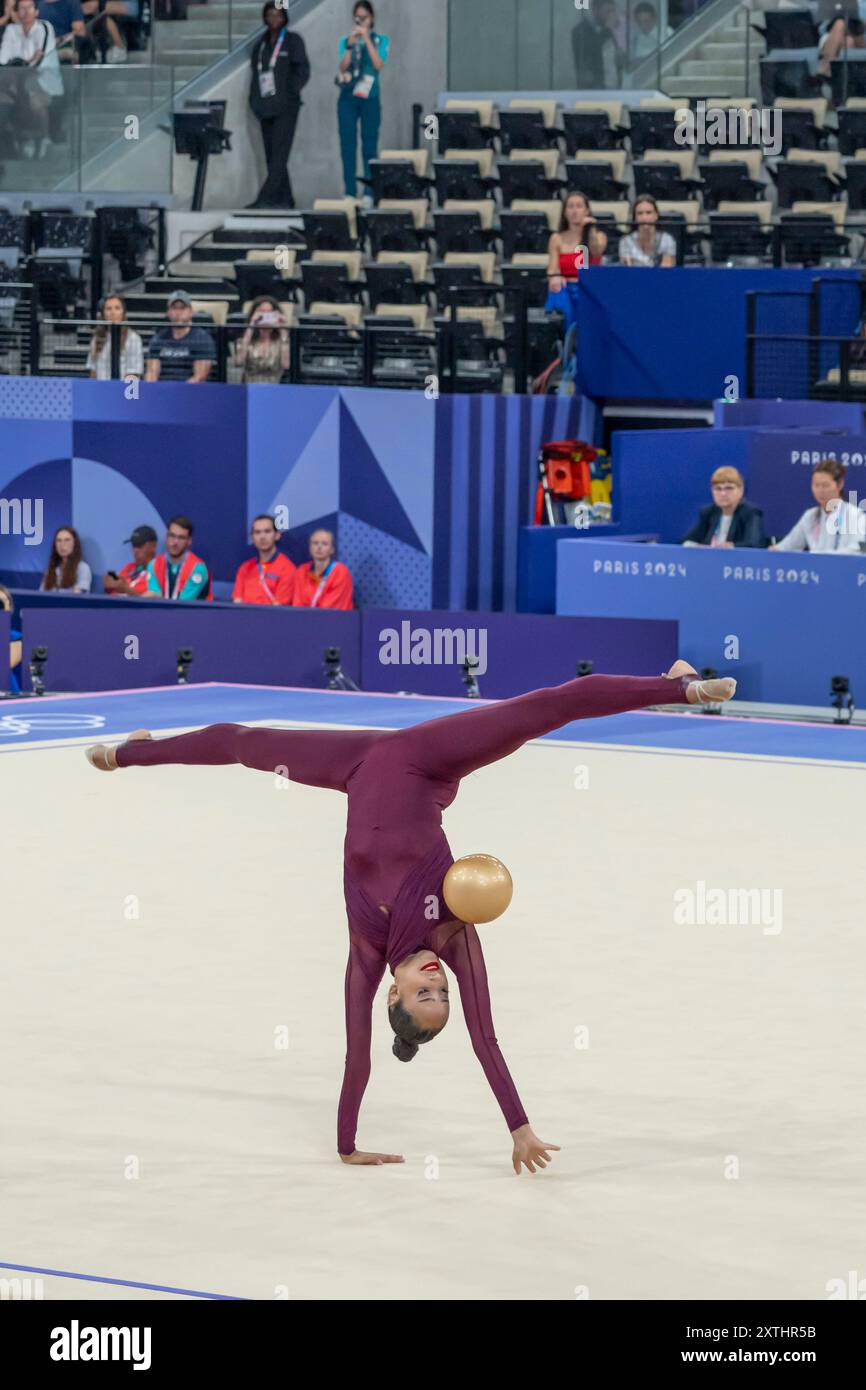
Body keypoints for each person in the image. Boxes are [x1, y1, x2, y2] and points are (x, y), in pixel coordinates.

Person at [84, 660, 736, 1168]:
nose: (434, 978)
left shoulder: (366, 951)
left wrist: (347, 1146)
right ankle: (681, 690)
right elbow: (486, 1040)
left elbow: (356, 1060)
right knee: (545, 707)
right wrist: (520, 1129)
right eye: (440, 991)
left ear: (391, 994)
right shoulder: (454, 933)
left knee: (238, 740)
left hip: (357, 765)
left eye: (422, 992)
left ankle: (127, 753)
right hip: (427, 763)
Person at [248, 1, 310, 210]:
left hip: (286, 107)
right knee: (272, 155)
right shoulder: (260, 45)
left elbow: (302, 70)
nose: (274, 19)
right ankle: (286, 199)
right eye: (270, 15)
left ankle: (266, 198)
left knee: (279, 154)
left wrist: (290, 92)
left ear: (284, 18)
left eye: (278, 15)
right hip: (265, 108)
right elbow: (256, 75)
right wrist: (254, 101)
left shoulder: (293, 41)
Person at [336, 0, 389, 202]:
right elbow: (343, 67)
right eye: (357, 17)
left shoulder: (380, 40)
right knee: (347, 145)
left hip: (370, 97)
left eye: (364, 17)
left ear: (371, 18)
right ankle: (349, 190)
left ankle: (369, 190)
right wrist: (350, 46)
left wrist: (366, 39)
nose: (360, 21)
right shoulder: (346, 41)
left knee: (369, 145)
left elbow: (378, 64)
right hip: (348, 97)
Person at [0, 0, 63, 158]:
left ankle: (44, 137)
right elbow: (4, 59)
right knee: (7, 98)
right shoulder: (11, 30)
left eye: (29, 8)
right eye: (22, 8)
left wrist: (23, 62)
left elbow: (39, 61)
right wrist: (27, 61)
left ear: (37, 11)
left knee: (34, 99)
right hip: (15, 81)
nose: (26, 11)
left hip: (43, 81)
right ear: (16, 12)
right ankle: (21, 138)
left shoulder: (45, 27)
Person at [545, 189, 607, 337]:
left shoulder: (599, 236)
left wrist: (589, 230)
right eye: (570, 206)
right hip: (566, 287)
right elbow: (552, 269)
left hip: (588, 287)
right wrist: (555, 277)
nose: (574, 211)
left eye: (579, 206)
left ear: (587, 211)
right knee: (561, 299)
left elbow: (596, 251)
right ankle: (569, 344)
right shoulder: (557, 238)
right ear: (565, 212)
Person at [771, 458, 866, 553]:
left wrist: (819, 557)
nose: (820, 491)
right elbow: (787, 546)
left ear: (840, 484)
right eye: (816, 485)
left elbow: (857, 551)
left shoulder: (856, 516)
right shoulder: (810, 516)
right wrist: (771, 552)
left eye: (825, 485)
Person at [681, 467, 765, 549]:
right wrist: (698, 546)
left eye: (729, 488)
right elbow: (686, 541)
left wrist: (733, 546)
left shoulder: (750, 513)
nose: (723, 493)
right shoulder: (708, 513)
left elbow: (754, 544)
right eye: (718, 489)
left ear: (741, 490)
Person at [144, 291, 215, 384]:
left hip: (191, 392)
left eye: (182, 308)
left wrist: (179, 392)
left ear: (191, 312)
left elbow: (200, 376)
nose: (178, 312)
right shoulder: (158, 338)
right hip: (163, 390)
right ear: (168, 312)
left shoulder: (202, 338)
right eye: (174, 308)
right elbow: (151, 373)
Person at [232, 514, 296, 605]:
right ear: (252, 538)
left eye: (267, 531)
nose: (262, 537)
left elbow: (279, 608)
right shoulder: (245, 568)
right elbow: (237, 601)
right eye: (257, 532)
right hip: (244, 617)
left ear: (277, 535)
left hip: (271, 618)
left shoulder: (288, 569)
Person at [143, 516, 212, 600]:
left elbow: (184, 604)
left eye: (181, 538)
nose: (175, 542)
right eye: (172, 536)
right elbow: (154, 595)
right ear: (166, 537)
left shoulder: (198, 568)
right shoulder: (153, 564)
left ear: (189, 541)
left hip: (191, 612)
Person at [291, 529, 353, 609]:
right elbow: (297, 605)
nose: (319, 547)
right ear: (310, 548)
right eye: (315, 543)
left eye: (324, 544)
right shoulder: (301, 571)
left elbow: (332, 608)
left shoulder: (340, 572)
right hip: (305, 619)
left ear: (332, 550)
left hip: (334, 619)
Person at [86, 293, 144, 380]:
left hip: (123, 389)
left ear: (123, 312)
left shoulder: (133, 338)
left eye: (117, 308)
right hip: (101, 388)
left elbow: (134, 373)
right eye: (108, 309)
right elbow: (93, 372)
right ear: (103, 314)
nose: (113, 312)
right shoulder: (96, 338)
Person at [234, 297, 290, 384]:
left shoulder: (283, 341)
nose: (265, 316)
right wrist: (251, 325)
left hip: (274, 388)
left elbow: (286, 364)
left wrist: (283, 329)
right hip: (249, 388)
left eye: (269, 313)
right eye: (262, 312)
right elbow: (239, 361)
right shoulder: (245, 340)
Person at [572, 0, 621, 89]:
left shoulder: (608, 30)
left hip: (612, 86)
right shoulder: (581, 30)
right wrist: (607, 30)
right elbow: (589, 52)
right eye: (607, 11)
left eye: (613, 11)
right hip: (594, 88)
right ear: (595, 10)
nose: (611, 15)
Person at [617, 195, 677, 268]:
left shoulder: (667, 240)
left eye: (648, 213)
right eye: (640, 213)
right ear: (635, 217)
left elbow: (666, 272)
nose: (644, 217)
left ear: (656, 215)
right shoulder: (626, 241)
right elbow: (627, 272)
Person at [103, 524, 157, 596]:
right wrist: (110, 582)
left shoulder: (158, 570)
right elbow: (117, 584)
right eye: (134, 546)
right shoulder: (129, 567)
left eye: (139, 546)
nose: (135, 551)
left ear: (153, 546)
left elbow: (149, 602)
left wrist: (126, 589)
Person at [39, 525, 91, 592]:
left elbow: (78, 595)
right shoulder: (51, 569)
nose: (62, 544)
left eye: (67, 540)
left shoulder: (83, 568)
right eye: (59, 540)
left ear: (75, 544)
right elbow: (41, 593)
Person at [0, 582, 22, 693]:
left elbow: (4, 664)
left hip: (9, 698)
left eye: (2, 603)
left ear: (10, 608)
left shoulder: (17, 638)